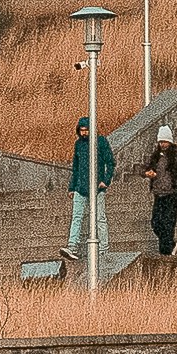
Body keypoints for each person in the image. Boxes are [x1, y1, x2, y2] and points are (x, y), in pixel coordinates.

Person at [63, 113, 115, 263]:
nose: (84, 133)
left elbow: (110, 162)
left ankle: (104, 248)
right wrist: (72, 187)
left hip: (96, 187)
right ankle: (72, 246)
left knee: (100, 218)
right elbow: (76, 167)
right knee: (77, 217)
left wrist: (105, 180)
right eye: (82, 130)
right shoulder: (78, 144)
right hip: (80, 186)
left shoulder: (101, 142)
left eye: (86, 130)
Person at [145, 124, 177, 258]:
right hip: (159, 194)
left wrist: (175, 184)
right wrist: (148, 173)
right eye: (161, 142)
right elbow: (145, 168)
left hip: (172, 194)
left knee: (168, 222)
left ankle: (165, 251)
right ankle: (169, 246)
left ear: (170, 141)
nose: (163, 144)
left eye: (165, 141)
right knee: (156, 222)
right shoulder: (155, 156)